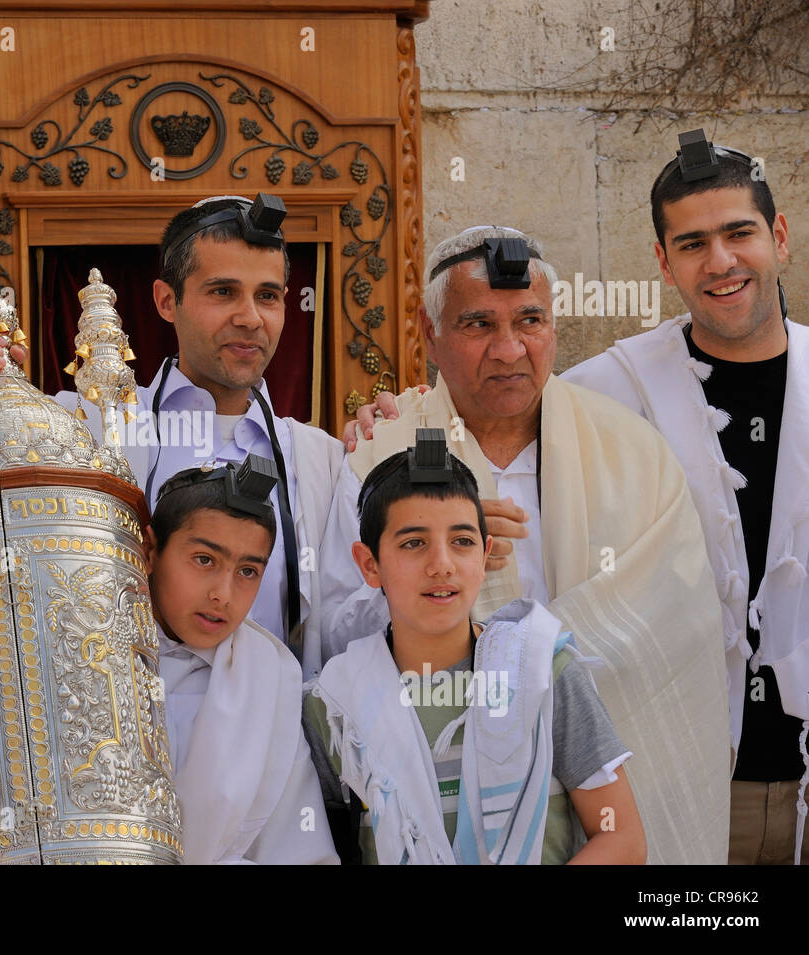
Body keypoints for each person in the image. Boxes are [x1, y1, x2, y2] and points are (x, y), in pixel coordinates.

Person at [346, 225, 730, 864]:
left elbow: (675, 631)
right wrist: (433, 575)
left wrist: (522, 660)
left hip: (607, 792)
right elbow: (340, 634)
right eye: (477, 325)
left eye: (531, 319)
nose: (509, 349)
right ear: (429, 332)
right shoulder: (377, 455)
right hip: (433, 785)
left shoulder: (631, 451)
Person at [0, 193, 385, 681]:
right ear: (166, 301)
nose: (250, 317)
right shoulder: (83, 425)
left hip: (267, 750)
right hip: (110, 746)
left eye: (268, 296)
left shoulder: (319, 459)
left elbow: (346, 634)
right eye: (223, 292)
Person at [563, 131, 809, 865]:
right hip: (687, 790)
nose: (722, 262)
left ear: (780, 237)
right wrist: (385, 422)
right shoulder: (608, 392)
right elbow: (489, 422)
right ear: (664, 261)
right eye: (693, 243)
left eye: (739, 233)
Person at [304, 439, 646, 864]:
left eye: (462, 541)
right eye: (414, 543)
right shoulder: (335, 707)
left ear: (484, 557)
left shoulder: (543, 673)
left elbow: (620, 837)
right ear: (369, 564)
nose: (442, 564)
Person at [144, 455, 338, 865]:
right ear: (149, 551)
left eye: (248, 571)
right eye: (204, 560)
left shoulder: (269, 676)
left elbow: (297, 847)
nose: (224, 595)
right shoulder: (88, 645)